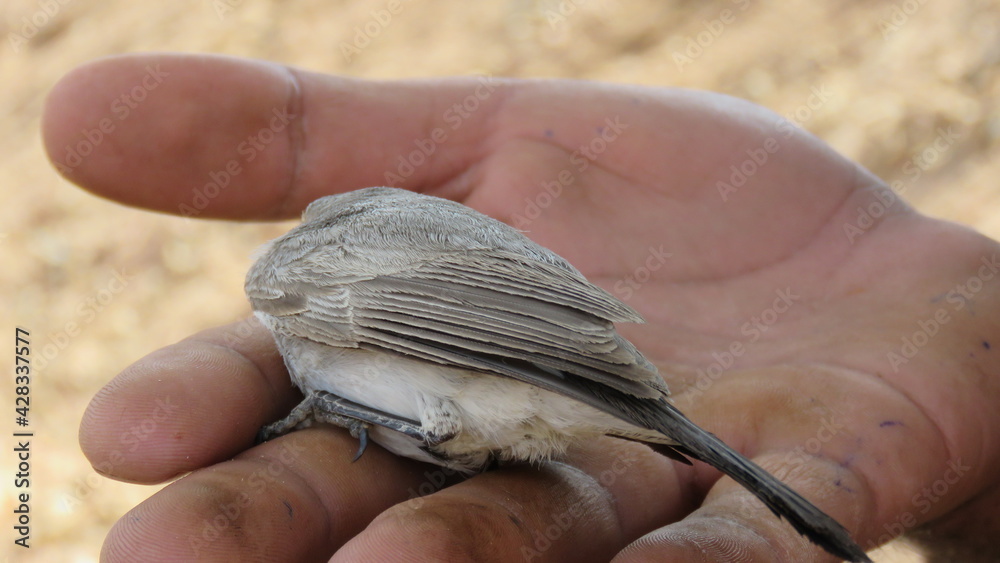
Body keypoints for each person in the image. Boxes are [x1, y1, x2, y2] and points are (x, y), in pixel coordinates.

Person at [44, 53, 1000, 562]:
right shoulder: (406, 232)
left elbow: (450, 315)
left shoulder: (292, 266)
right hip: (558, 386)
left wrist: (322, 403)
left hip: (525, 383)